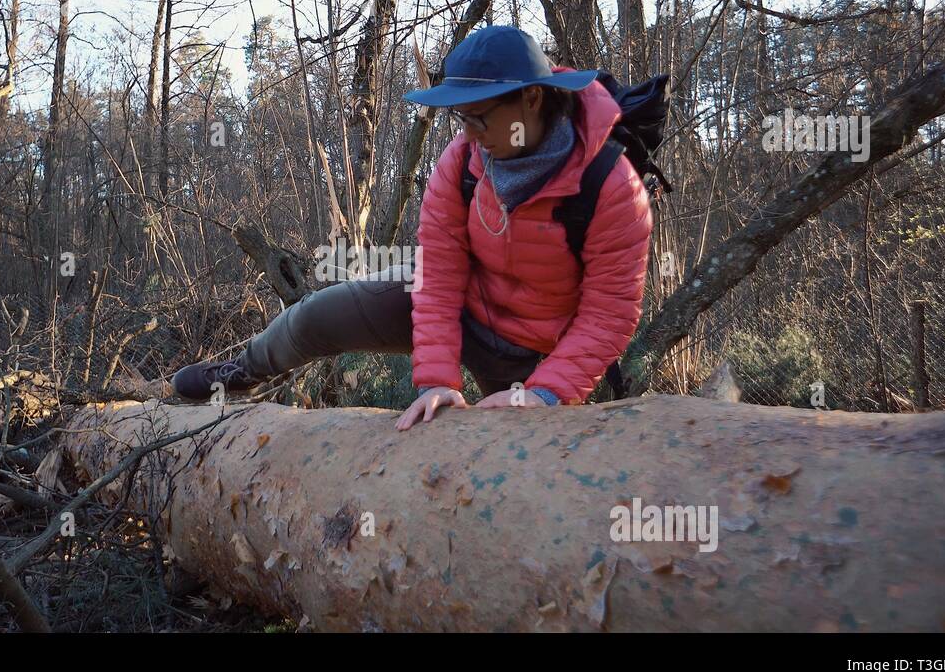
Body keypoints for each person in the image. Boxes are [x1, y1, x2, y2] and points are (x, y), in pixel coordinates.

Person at [172, 25, 653, 430]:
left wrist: (545, 394)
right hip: (461, 308)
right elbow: (439, 274)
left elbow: (608, 313)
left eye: (480, 118)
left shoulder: (611, 185)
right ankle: (241, 371)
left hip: (535, 354)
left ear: (531, 98)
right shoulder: (462, 163)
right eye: (460, 118)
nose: (469, 134)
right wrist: (438, 378)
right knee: (315, 315)